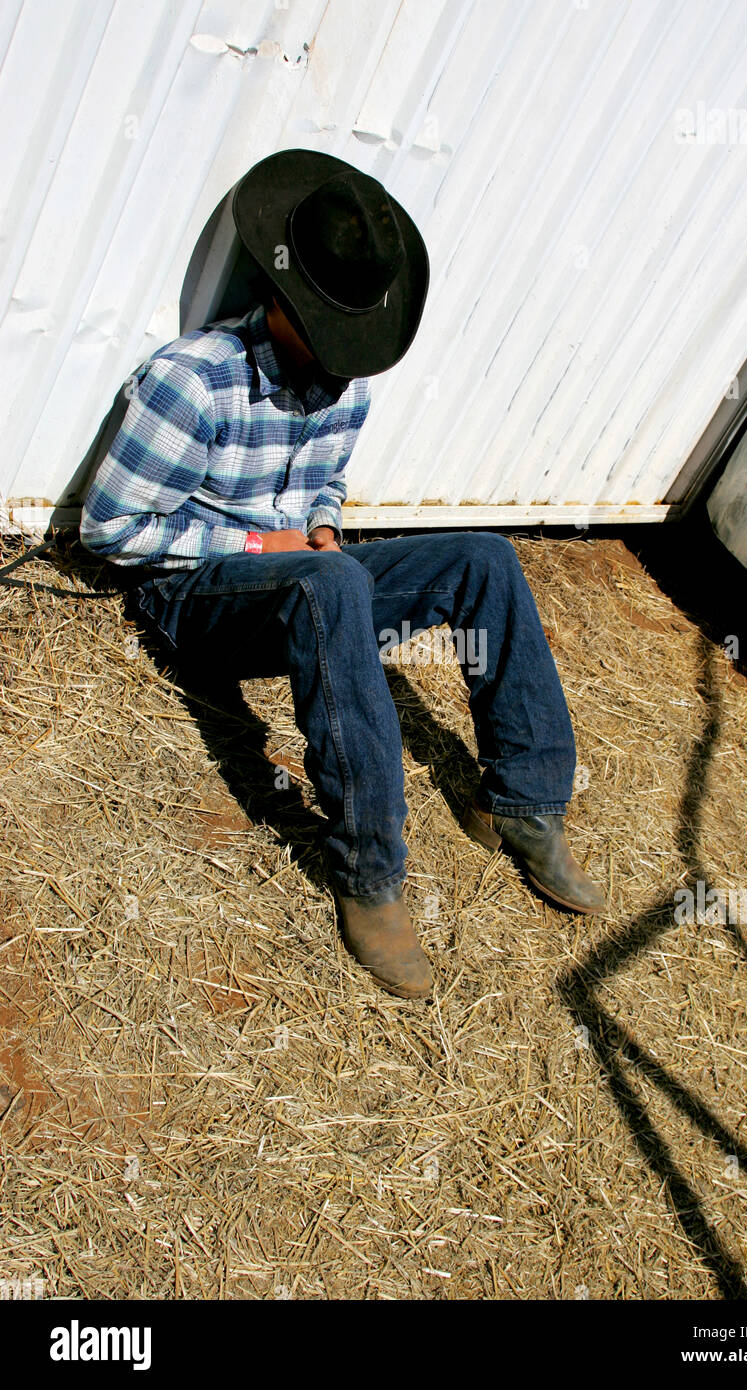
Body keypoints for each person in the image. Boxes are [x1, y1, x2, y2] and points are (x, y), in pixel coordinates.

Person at [81, 149, 605, 1001]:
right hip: (195, 599)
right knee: (332, 586)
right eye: (329, 335)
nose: (344, 361)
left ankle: (524, 801)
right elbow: (113, 531)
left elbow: (324, 479)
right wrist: (262, 553)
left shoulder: (346, 383)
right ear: (282, 300)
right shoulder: (192, 383)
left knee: (484, 556)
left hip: (307, 584)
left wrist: (321, 522)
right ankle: (369, 873)